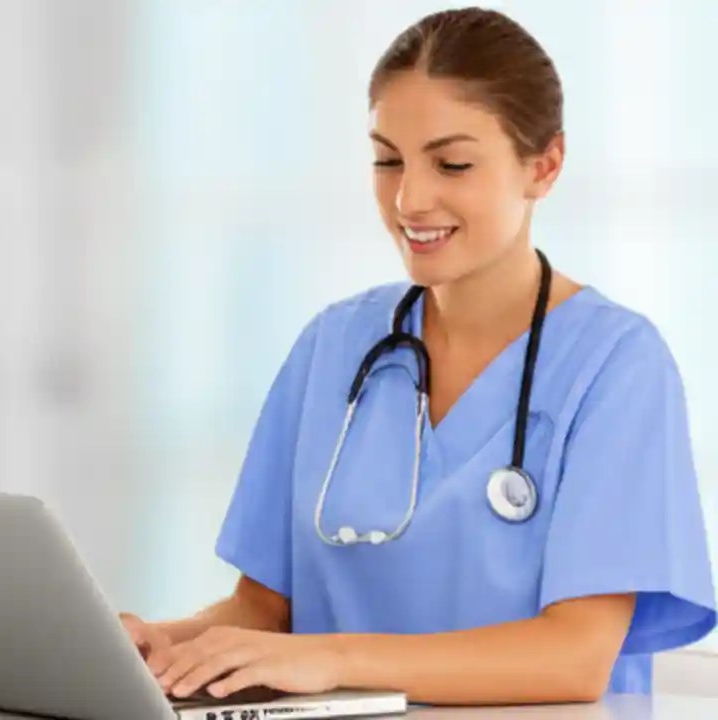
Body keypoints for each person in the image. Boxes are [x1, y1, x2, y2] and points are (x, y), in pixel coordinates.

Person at [119, 6, 715, 705]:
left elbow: (575, 655)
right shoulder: (334, 347)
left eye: (452, 163)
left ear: (545, 166)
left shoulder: (615, 364)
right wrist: (159, 644)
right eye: (387, 159)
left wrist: (331, 658)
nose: (409, 198)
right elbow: (264, 611)